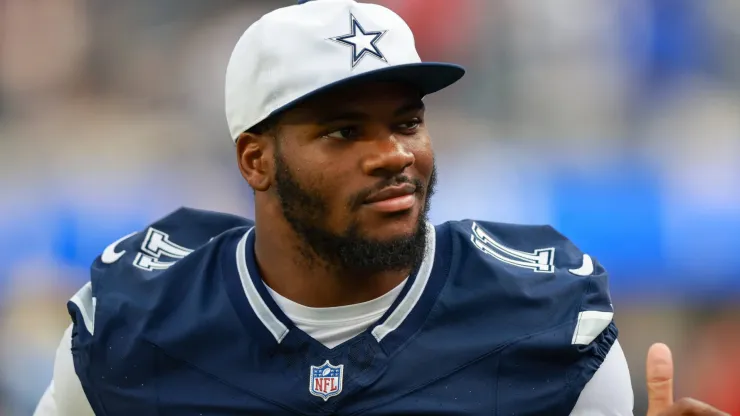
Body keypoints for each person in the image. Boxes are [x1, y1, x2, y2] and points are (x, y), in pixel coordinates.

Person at [33, 0, 728, 415]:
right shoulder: (136, 318)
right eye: (344, 130)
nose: (393, 153)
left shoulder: (543, 318)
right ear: (256, 159)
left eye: (406, 121)